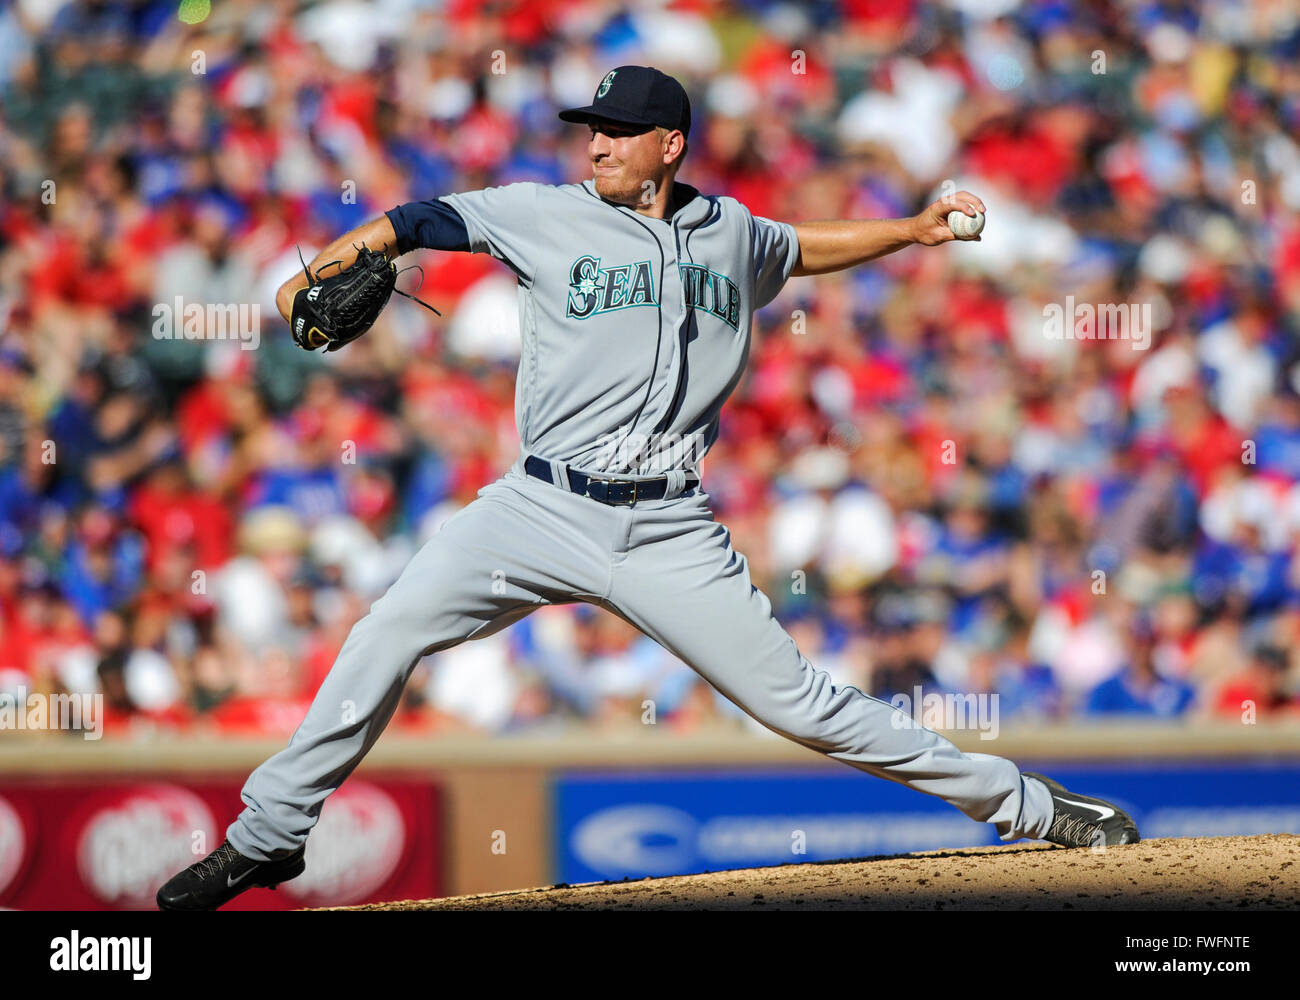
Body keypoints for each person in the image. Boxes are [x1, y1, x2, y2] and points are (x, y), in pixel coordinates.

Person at [157, 66, 1138, 910]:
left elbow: (797, 246)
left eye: (616, 133)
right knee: (387, 630)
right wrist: (322, 272)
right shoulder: (542, 214)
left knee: (803, 705)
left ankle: (1033, 808)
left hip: (668, 522)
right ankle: (271, 830)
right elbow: (415, 220)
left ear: (670, 144)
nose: (595, 147)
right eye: (590, 132)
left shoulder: (731, 233)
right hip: (536, 505)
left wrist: (912, 231)